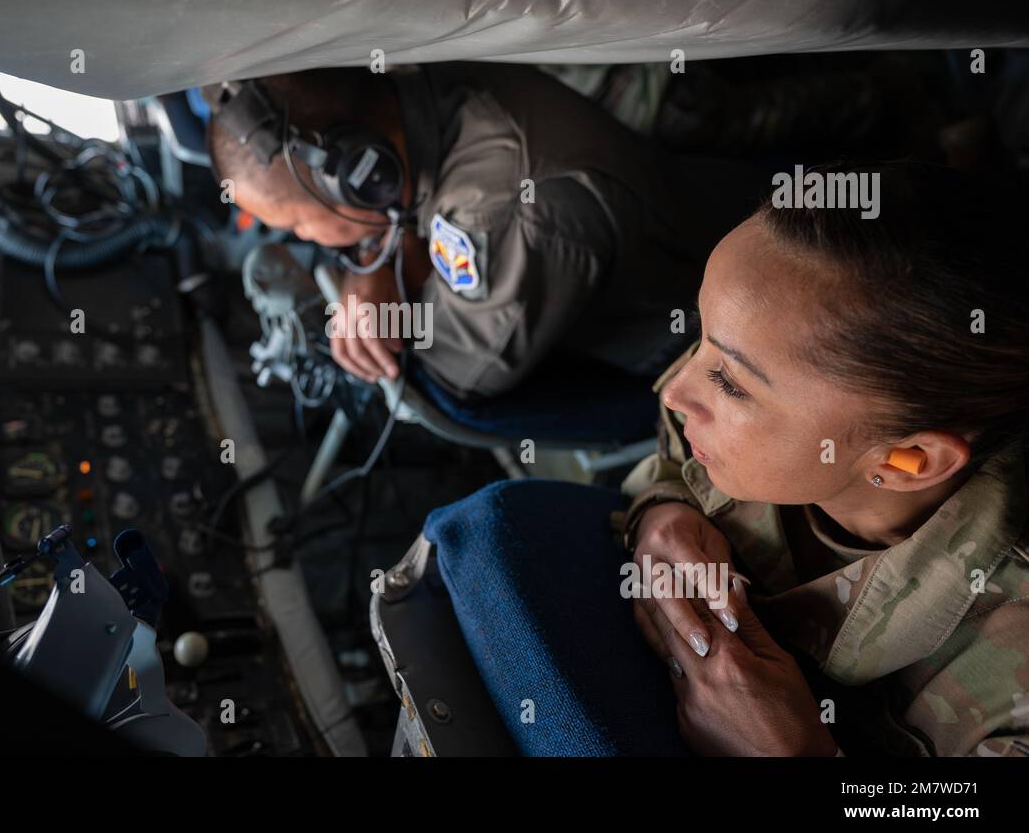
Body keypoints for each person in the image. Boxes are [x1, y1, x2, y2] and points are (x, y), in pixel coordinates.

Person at [424, 161, 1029, 756]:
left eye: (731, 384)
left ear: (908, 460)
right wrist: (661, 511)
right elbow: (670, 461)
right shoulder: (771, 385)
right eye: (703, 337)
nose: (676, 391)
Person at [204, 64, 767, 401]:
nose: (309, 241)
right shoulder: (420, 90)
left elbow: (464, 375)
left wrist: (392, 300)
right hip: (709, 195)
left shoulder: (509, 209)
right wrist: (377, 258)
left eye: (298, 222)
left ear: (357, 174)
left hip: (708, 338)